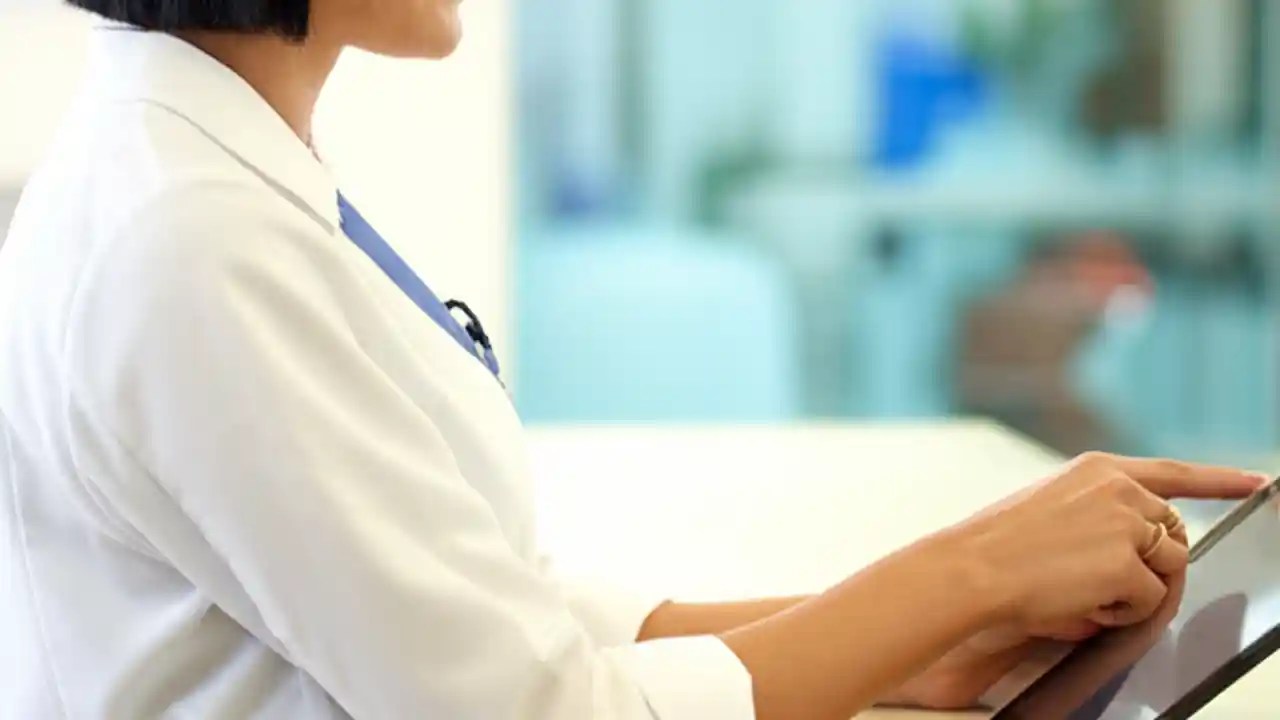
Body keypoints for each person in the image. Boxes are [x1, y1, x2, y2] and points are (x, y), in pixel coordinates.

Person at [0, 2, 1264, 719]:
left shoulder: (197, 171)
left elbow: (453, 604)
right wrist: (967, 572)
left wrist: (912, 639)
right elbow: (535, 712)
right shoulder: (190, 235)